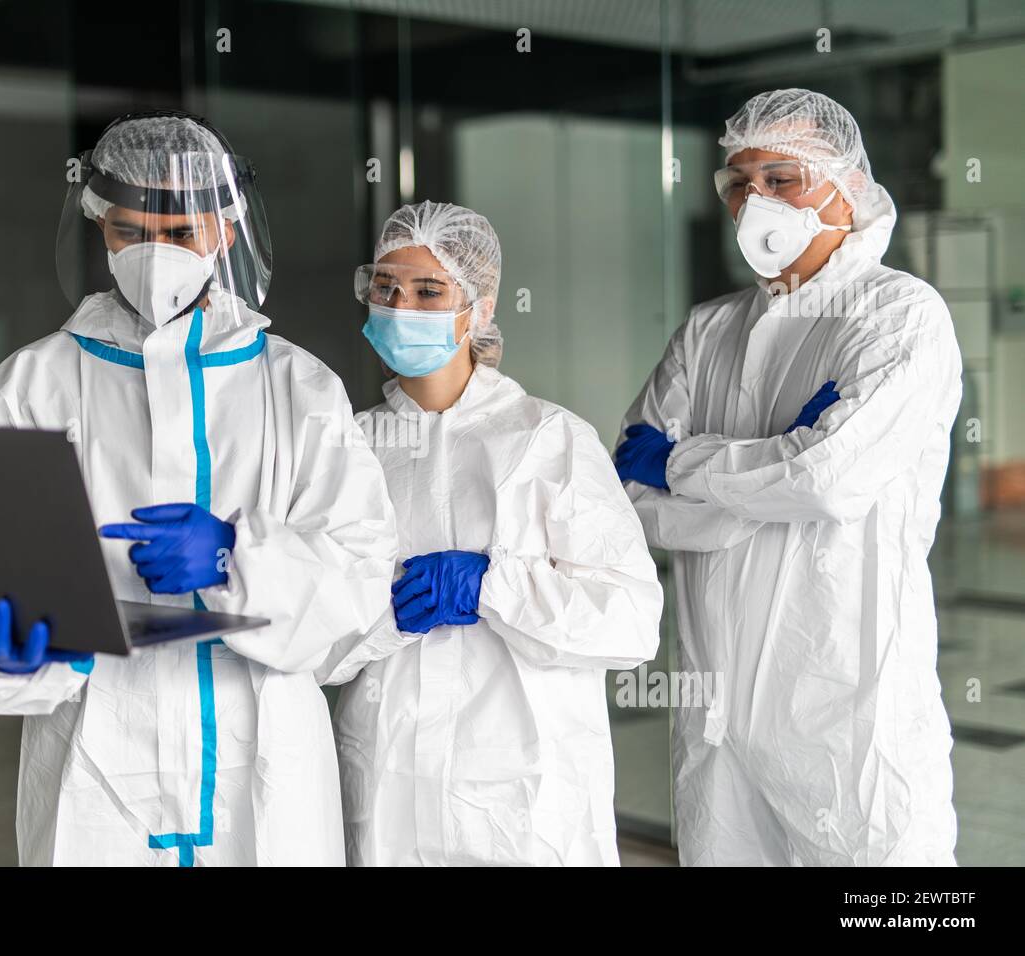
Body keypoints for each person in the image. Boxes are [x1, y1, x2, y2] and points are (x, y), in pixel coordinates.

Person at [0, 112, 397, 866]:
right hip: (93, 770)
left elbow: (362, 582)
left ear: (226, 233)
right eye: (127, 232)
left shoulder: (298, 387)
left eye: (177, 233)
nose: (152, 255)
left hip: (266, 773)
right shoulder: (33, 386)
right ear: (99, 232)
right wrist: (13, 654)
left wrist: (236, 561)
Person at [615, 89, 961, 865]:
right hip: (719, 725)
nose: (755, 201)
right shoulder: (708, 330)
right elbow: (632, 502)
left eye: (782, 178)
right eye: (740, 184)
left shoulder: (900, 317)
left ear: (848, 185)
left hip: (848, 715)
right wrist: (777, 471)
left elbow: (830, 483)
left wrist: (683, 464)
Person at [320, 201, 663, 866]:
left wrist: (495, 584)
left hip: (528, 803)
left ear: (478, 307)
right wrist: (383, 614)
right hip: (389, 792)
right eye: (386, 288)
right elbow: (316, 650)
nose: (402, 307)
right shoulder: (350, 447)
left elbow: (631, 621)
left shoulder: (547, 438)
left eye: (428, 290)